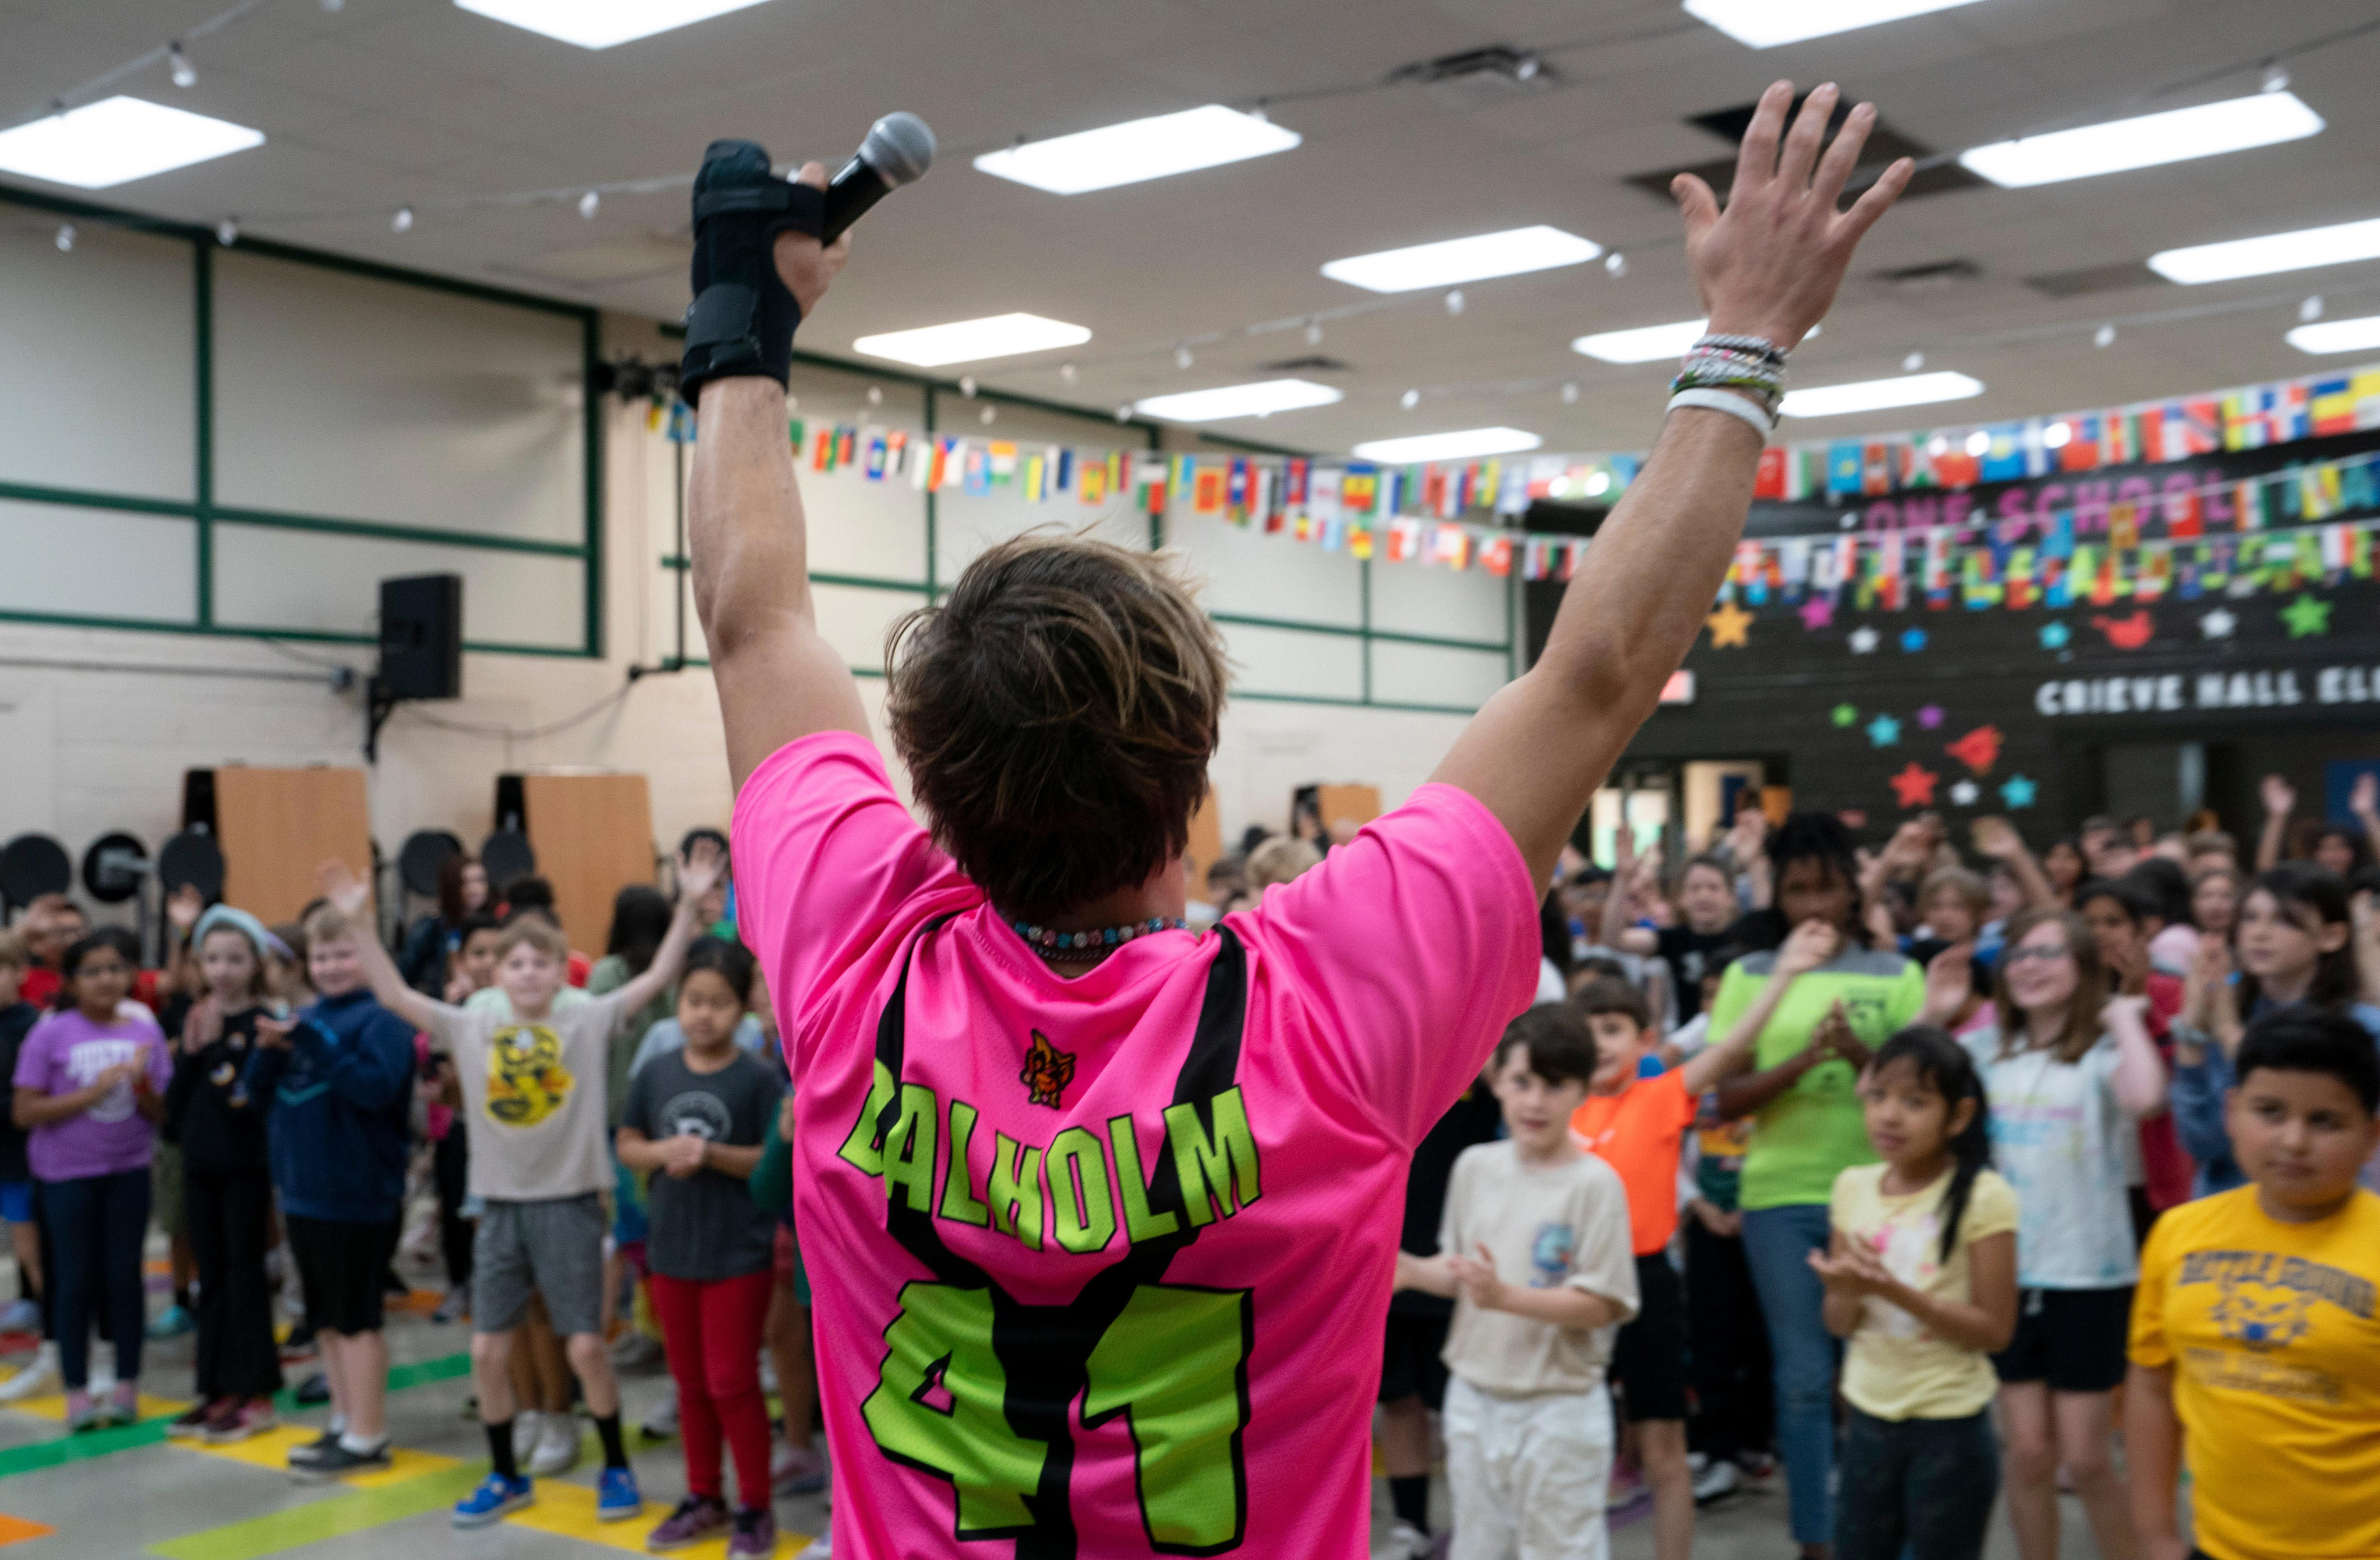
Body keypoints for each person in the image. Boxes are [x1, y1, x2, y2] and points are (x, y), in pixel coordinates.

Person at [682, 79, 1908, 1558]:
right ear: (1195, 790)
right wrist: (1747, 339)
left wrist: (739, 320)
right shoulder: (1319, 1001)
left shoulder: (853, 953)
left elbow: (754, 620)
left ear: (926, 794)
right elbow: (1595, 676)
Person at [317, 849, 720, 1527]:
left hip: (568, 1203)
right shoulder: (474, 1021)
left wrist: (686, 906)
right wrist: (359, 927)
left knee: (586, 1347)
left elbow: (655, 978)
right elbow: (393, 996)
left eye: (542, 962)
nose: (529, 973)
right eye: (515, 963)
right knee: (486, 1350)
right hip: (500, 1207)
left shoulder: (584, 1016)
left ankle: (615, 1466)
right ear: (495, 972)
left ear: (562, 970)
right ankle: (506, 1475)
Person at [1710, 811, 1925, 1560]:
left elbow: (1916, 1095)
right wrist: (1801, 1062)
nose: (1811, 907)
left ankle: (1877, 1522)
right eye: (1797, 890)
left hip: (1882, 1197)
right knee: (1802, 1376)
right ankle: (1816, 1539)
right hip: (1779, 1198)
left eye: (1826, 890)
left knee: (1883, 1367)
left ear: (1850, 891)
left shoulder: (1896, 975)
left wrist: (1857, 1050)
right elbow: (1720, 1099)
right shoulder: (1746, 975)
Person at [1568, 950, 1801, 1560]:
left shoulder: (1660, 1095)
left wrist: (1783, 975)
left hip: (1647, 1283)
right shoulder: (1557, 1110)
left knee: (1663, 1449)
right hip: (1573, 1287)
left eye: (1613, 1030)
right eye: (1587, 1032)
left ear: (1644, 1039)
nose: (1600, 1044)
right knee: (1572, 1444)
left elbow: (1728, 1051)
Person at [2125, 1006, 2380, 1560]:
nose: (2293, 1140)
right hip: (2215, 1546)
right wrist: (2154, 1534)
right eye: (2270, 1112)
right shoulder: (2179, 1233)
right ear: (2232, 1112)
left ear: (2371, 1136)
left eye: (2325, 1121)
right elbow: (2150, 1385)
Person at [1393, 1006, 1640, 1560]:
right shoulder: (1476, 1167)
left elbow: (1601, 1304)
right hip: (1474, 1398)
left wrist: (1506, 1297)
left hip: (1559, 1407)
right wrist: (1404, 1269)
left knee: (1558, 1550)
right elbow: (1461, 1274)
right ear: (1495, 1080)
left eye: (1554, 1086)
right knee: (1477, 1547)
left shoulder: (1595, 1184)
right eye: (1522, 1082)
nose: (1535, 1101)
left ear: (1583, 1089)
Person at [1960, 909, 2167, 1560]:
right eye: (2018, 953)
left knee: (2084, 1460)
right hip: (2006, 1275)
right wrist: (1935, 1014)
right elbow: (1884, 1082)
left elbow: (2146, 1099)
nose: (2028, 964)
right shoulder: (1984, 1051)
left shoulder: (2102, 1054)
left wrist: (2125, 1015)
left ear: (2083, 969)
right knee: (2025, 1454)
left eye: (2049, 953)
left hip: (2089, 1273)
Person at [1816, 1027, 2017, 1560]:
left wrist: (1900, 1294)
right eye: (1878, 1095)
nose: (1888, 1115)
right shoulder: (1852, 1186)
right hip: (1867, 1417)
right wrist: (1842, 1292)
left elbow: (1995, 1331)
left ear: (1957, 1116)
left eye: (1914, 1101)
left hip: (1948, 1424)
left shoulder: (1984, 1195)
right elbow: (1839, 1324)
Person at [619, 938, 786, 1559]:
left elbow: (772, 1160)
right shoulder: (657, 1071)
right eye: (693, 1001)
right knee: (688, 1383)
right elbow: (629, 1141)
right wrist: (662, 1153)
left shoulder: (758, 1079)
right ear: (678, 1003)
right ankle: (703, 1495)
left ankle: (755, 1505)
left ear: (742, 1008)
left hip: (736, 1257)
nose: (703, 1015)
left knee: (732, 1384)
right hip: (671, 1253)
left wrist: (711, 1155)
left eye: (718, 1003)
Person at [241, 900, 417, 1476]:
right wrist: (268, 1057)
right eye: (323, 956)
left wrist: (313, 1042)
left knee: (357, 1317)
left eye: (346, 954)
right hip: (304, 1192)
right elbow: (253, 1099)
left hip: (359, 1194)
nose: (334, 965)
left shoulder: (383, 1020)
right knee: (324, 1318)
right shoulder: (307, 1018)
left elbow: (373, 1090)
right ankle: (344, 1420)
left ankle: (369, 1435)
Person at [11, 927, 172, 1430]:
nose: (106, 980)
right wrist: (91, 1092)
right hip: (65, 1177)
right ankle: (77, 1388)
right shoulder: (50, 1033)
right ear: (72, 981)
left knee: (125, 1277)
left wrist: (143, 1084)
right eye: (93, 970)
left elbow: (161, 1114)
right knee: (73, 1280)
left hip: (128, 1172)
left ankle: (127, 1382)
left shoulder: (144, 1030)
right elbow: (25, 1111)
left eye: (116, 968)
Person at [2171, 864, 2380, 1195]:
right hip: (2228, 1213)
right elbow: (2203, 1142)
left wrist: (2229, 1034)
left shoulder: (2363, 1029)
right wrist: (2191, 1034)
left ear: (2332, 936)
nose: (2259, 933)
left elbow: (2325, 1143)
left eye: (2284, 921)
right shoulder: (2230, 1005)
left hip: (2321, 1219)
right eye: (2250, 918)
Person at [160, 908, 286, 1444]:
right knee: (209, 1278)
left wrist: (215, 1051)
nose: (223, 969)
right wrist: (191, 1055)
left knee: (244, 1275)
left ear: (255, 963)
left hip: (245, 1169)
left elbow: (246, 1102)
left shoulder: (265, 1024)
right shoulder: (194, 1018)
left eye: (235, 958)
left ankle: (255, 1391)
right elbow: (172, 1114)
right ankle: (213, 1388)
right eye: (213, 958)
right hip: (200, 1165)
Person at [2072, 879, 2194, 1231]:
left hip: (2147, 1163)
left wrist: (2139, 1002)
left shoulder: (2169, 991)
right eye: (2088, 923)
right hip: (2088, 1165)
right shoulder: (2065, 996)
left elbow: (2175, 1069)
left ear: (2141, 935)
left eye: (2113, 922)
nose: (2100, 933)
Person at [1604, 852, 1746, 1024]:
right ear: (1681, 898)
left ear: (1731, 897)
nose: (1704, 896)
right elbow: (1614, 940)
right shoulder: (1673, 938)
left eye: (1713, 888)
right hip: (1686, 1044)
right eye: (1694, 888)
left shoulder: (1747, 939)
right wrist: (1622, 879)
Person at [0, 935, 42, 1341]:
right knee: (22, 1248)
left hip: (25, 1160)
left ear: (19, 973)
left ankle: (59, 1334)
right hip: (6, 1161)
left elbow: (29, 1098)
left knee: (35, 1253)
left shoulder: (30, 1026)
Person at [401, 853, 490, 997]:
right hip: (442, 1004)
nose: (475, 889)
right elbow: (404, 977)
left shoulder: (492, 924)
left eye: (480, 880)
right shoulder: (430, 927)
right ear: (452, 886)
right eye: (466, 882)